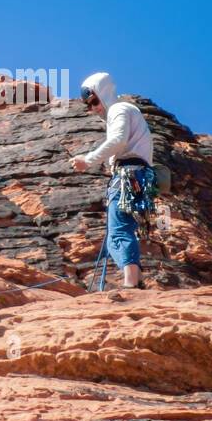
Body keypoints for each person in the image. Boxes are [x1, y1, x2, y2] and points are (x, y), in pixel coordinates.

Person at [71, 72, 154, 289]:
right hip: (136, 174)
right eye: (89, 106)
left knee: (118, 230)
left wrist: (87, 160)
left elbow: (118, 140)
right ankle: (137, 280)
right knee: (116, 233)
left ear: (104, 93)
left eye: (95, 101)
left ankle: (131, 284)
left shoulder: (119, 109)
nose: (94, 108)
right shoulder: (124, 111)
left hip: (128, 174)